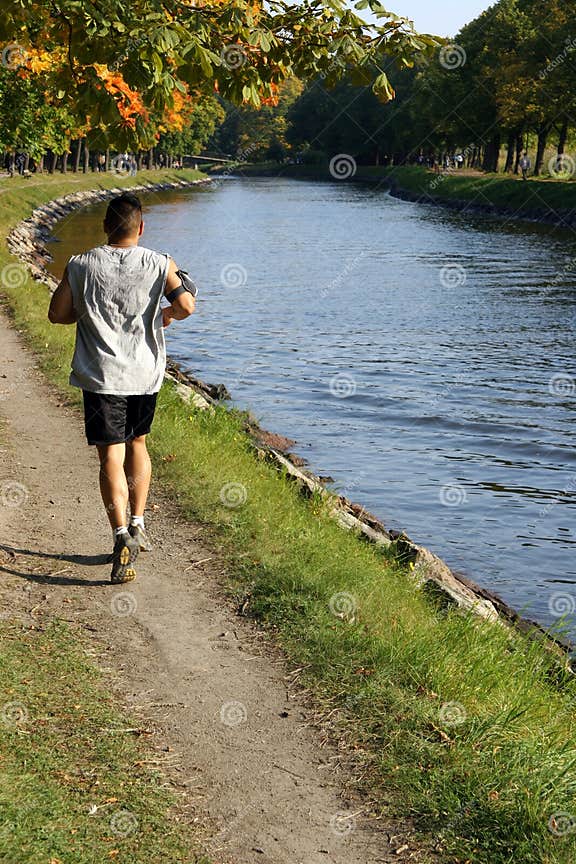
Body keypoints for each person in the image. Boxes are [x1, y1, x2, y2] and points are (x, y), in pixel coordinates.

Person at [48, 193, 196, 583]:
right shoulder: (161, 263)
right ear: (141, 227)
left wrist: (90, 309)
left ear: (104, 227)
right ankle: (139, 522)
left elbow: (56, 315)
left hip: (101, 376)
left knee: (109, 457)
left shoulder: (80, 264)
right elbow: (186, 307)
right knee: (138, 444)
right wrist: (162, 315)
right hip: (145, 374)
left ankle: (120, 536)